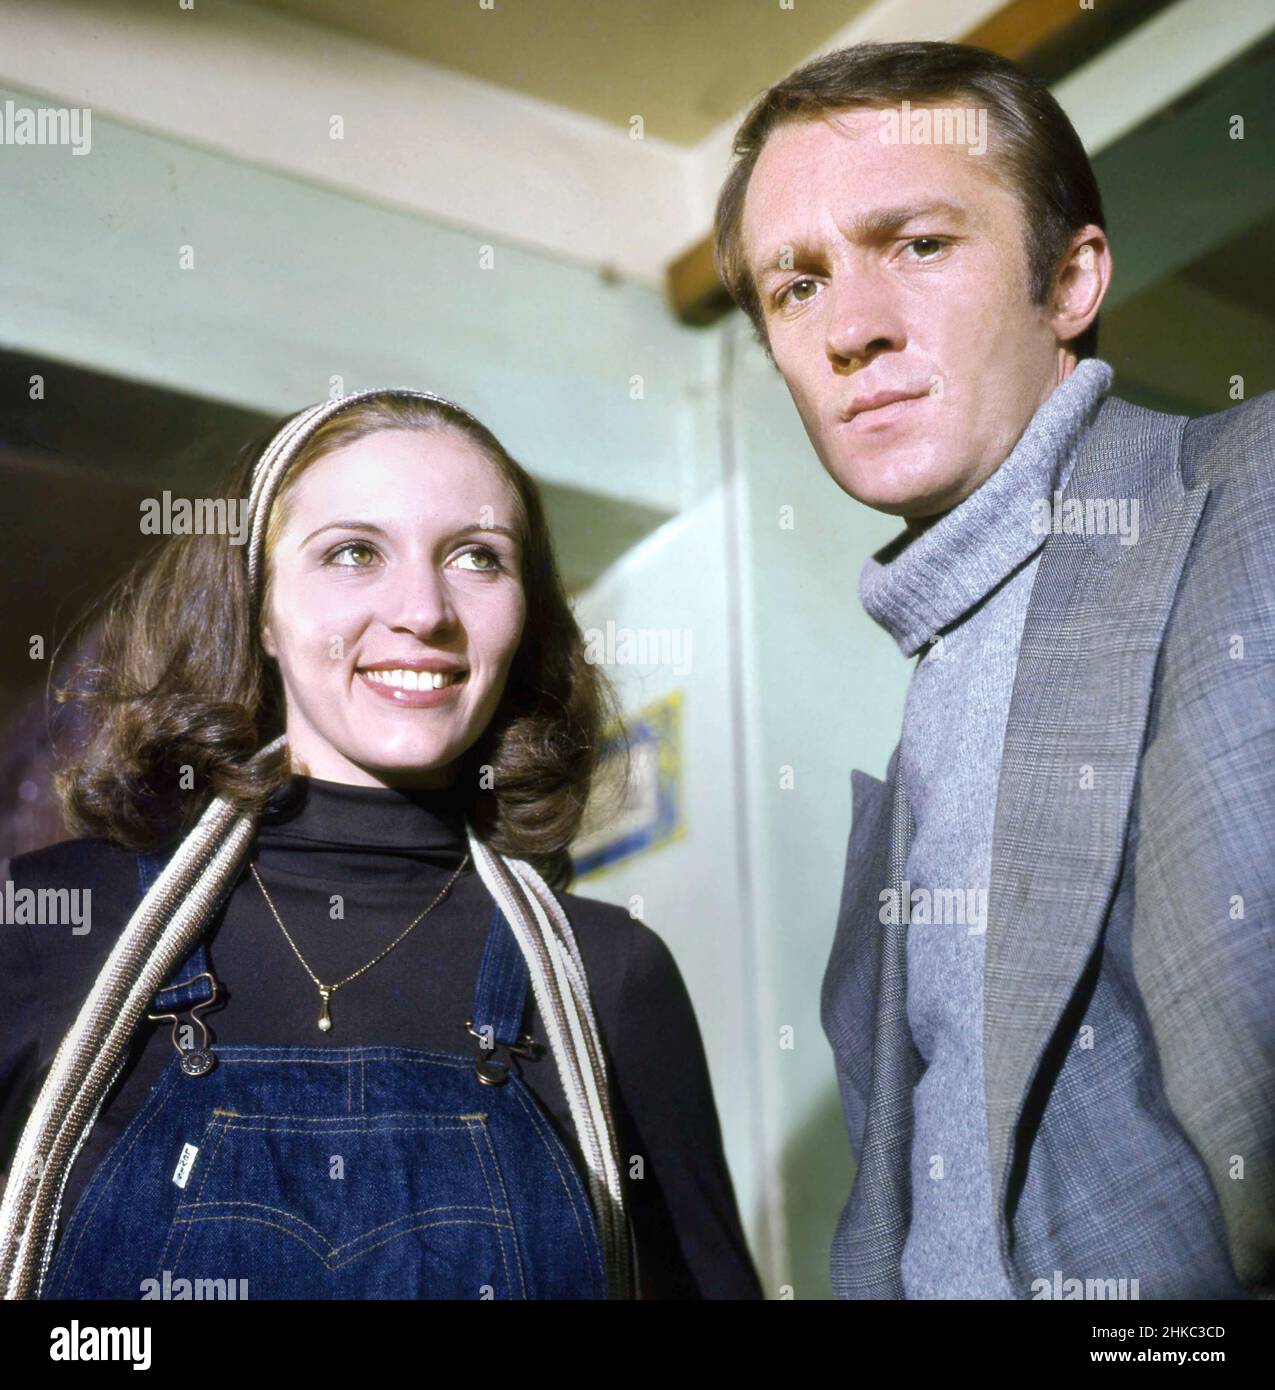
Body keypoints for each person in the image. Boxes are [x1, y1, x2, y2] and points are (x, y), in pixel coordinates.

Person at [713, 41, 1274, 1298]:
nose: (852, 328)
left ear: (1070, 279)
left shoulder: (1260, 496)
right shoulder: (917, 758)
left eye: (916, 244)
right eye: (796, 286)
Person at [0, 388, 762, 1301]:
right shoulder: (47, 927)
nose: (423, 611)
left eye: (477, 558)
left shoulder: (609, 974)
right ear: (260, 613)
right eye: (354, 553)